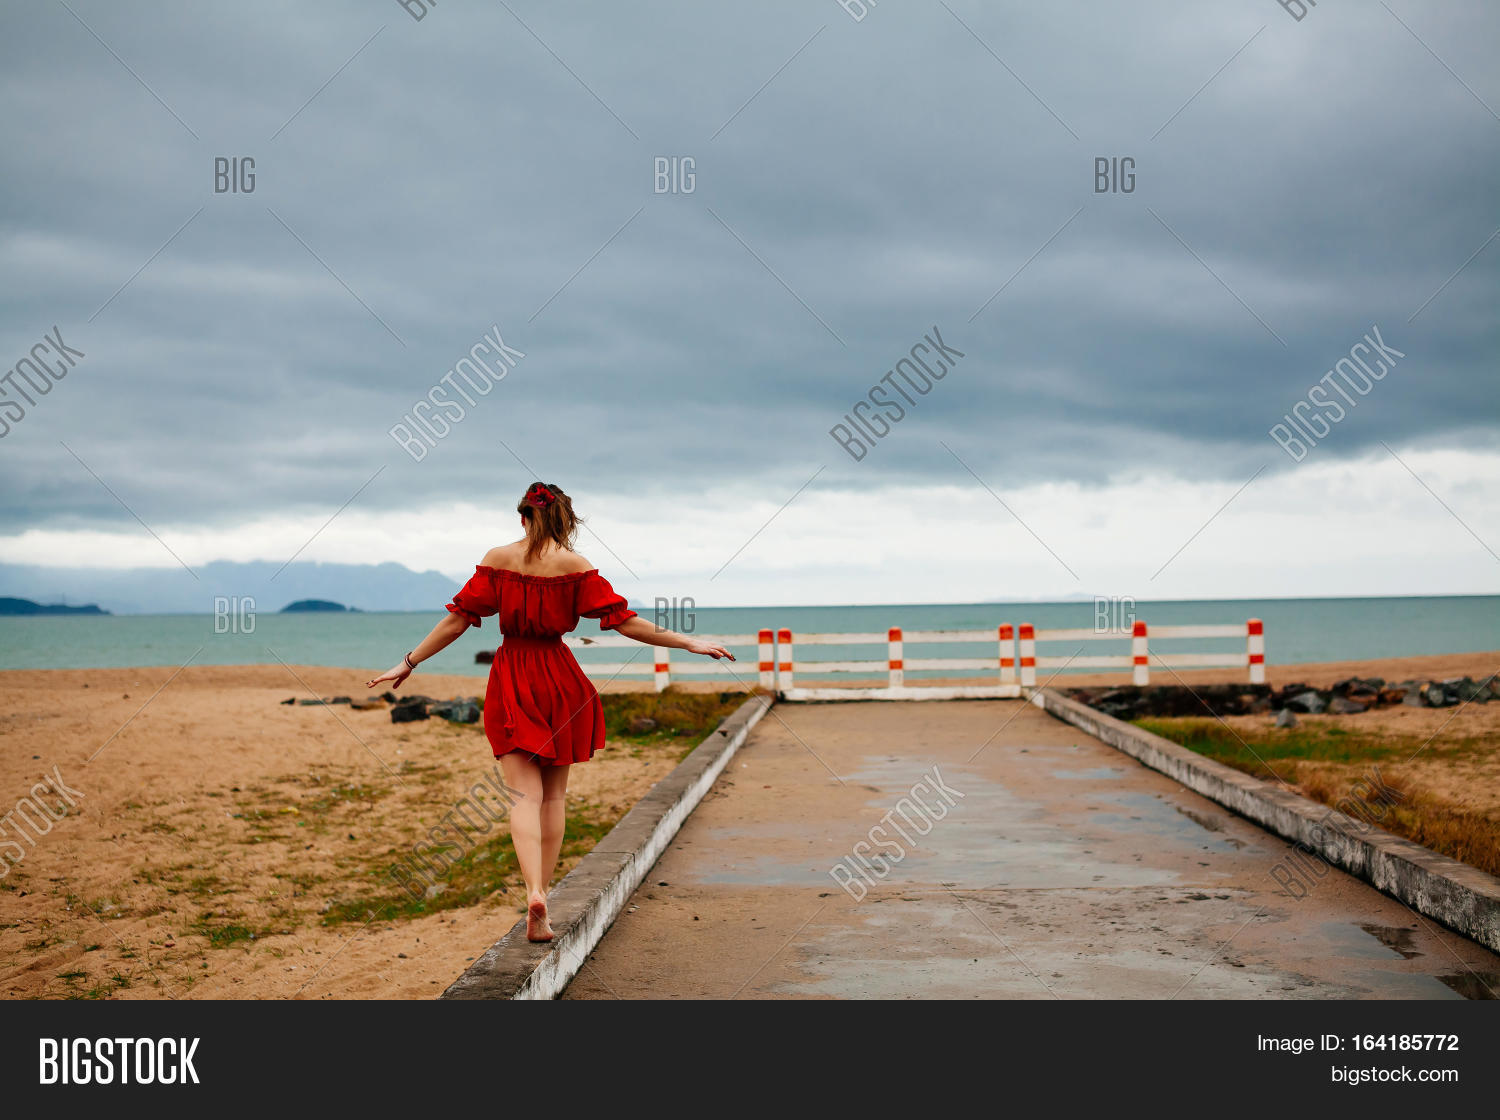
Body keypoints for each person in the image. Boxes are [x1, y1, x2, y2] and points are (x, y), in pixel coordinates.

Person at [366, 481, 733, 941]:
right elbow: (626, 622)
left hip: (513, 675)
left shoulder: (498, 558)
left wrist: (408, 662)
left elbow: (457, 618)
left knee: (524, 795)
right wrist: (689, 641)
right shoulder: (576, 566)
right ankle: (545, 897)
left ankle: (533, 890)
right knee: (554, 797)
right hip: (560, 679)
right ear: (567, 523)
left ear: (522, 517)